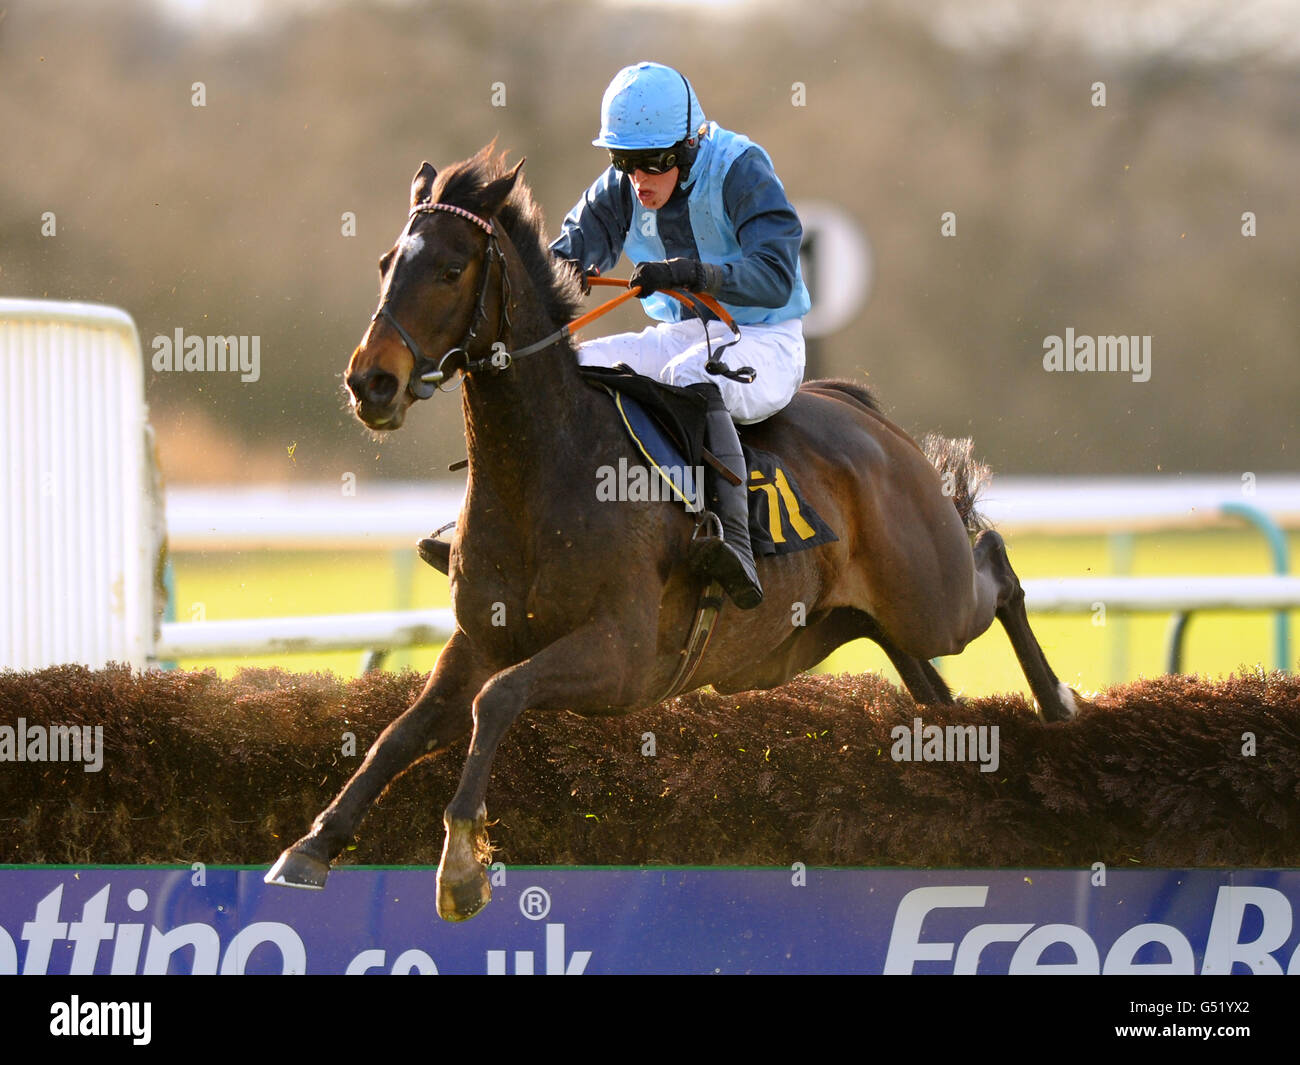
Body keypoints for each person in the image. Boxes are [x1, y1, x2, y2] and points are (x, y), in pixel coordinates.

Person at [550, 61, 811, 610]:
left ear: (689, 147)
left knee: (686, 377)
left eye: (653, 163)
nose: (638, 179)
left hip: (763, 336)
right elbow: (566, 253)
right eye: (624, 163)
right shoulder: (623, 185)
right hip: (681, 330)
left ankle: (734, 545)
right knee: (566, 367)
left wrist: (695, 272)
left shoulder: (741, 168)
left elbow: (776, 275)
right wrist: (553, 273)